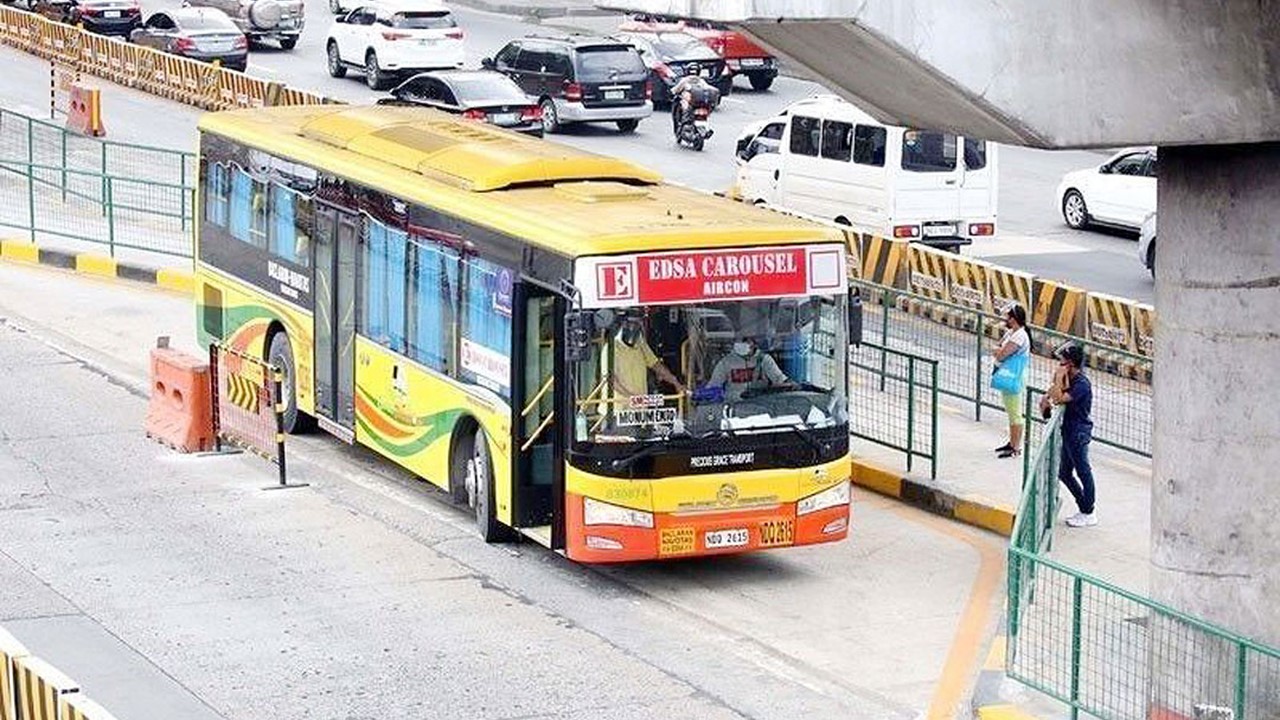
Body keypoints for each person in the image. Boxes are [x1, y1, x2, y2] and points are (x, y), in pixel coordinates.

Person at [1039, 342, 1097, 527]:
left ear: (1070, 364)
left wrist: (1058, 380)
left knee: (1083, 471)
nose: (1059, 365)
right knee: (1064, 472)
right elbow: (1053, 394)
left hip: (1078, 432)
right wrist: (1045, 396)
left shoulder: (1082, 385)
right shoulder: (1070, 380)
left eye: (1062, 362)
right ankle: (1083, 504)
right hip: (1068, 431)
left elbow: (1059, 397)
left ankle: (1088, 511)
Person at [607, 313, 685, 402]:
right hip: (618, 409)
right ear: (624, 325)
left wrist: (676, 383)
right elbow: (611, 380)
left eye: (639, 324)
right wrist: (632, 399)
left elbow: (656, 365)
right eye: (633, 323)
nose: (635, 328)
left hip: (639, 407)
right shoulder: (611, 348)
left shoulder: (641, 345)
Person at [993, 303, 1031, 458]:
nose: (1005, 319)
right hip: (1008, 373)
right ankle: (1012, 442)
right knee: (1010, 410)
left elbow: (1001, 354)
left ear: (1013, 319)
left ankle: (1015, 447)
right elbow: (999, 349)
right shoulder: (1011, 333)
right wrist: (998, 351)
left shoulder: (1019, 336)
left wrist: (998, 352)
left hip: (1014, 375)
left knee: (1015, 412)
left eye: (1008, 316)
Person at [708, 332, 791, 402]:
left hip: (760, 406)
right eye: (739, 341)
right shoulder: (726, 362)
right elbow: (713, 387)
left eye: (746, 341)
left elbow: (780, 380)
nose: (742, 344)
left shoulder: (764, 360)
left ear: (754, 343)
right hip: (734, 407)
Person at [670, 63, 717, 133]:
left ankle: (685, 126)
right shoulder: (701, 81)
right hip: (701, 104)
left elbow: (675, 90)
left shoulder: (685, 80)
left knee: (685, 112)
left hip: (690, 104)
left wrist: (672, 92)